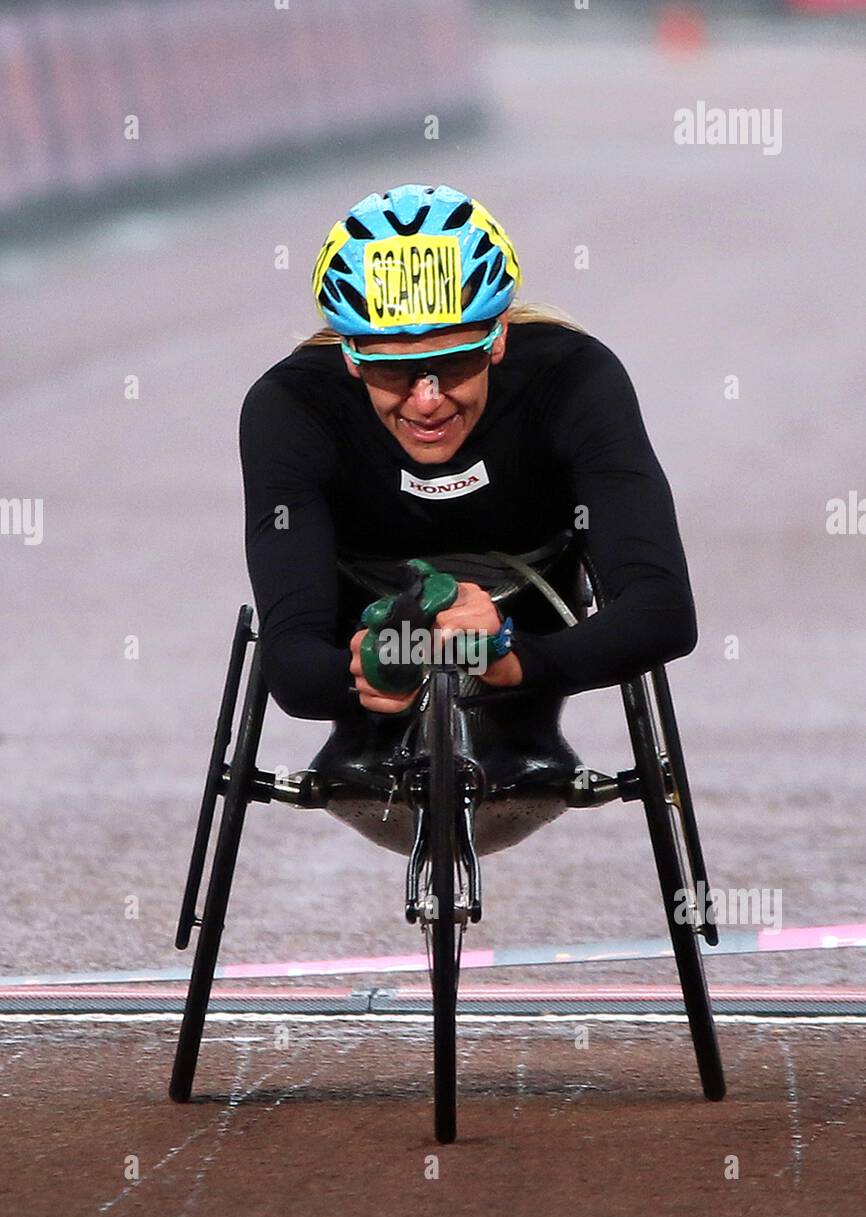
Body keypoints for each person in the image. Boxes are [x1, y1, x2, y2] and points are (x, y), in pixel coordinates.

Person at [239, 183, 697, 805]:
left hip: (527, 627)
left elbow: (663, 610)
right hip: (367, 635)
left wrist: (515, 660)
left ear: (498, 338)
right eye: (393, 370)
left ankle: (515, 729)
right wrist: (376, 668)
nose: (427, 401)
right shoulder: (291, 407)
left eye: (454, 364)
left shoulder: (575, 379)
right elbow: (291, 662)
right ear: (350, 356)